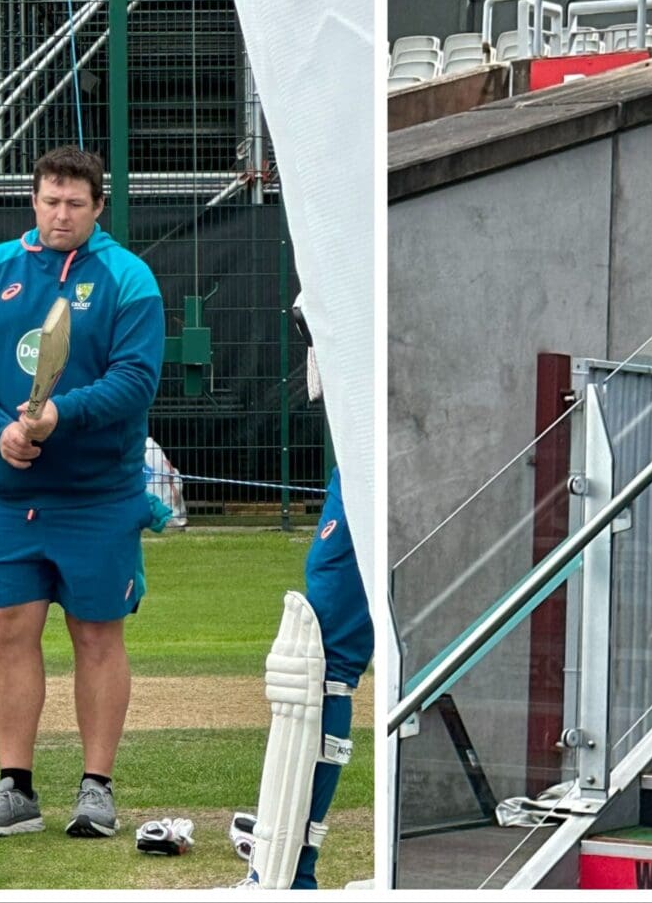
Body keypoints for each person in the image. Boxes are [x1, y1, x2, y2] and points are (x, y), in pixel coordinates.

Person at [0, 145, 165, 840]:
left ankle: (97, 789)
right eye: (49, 201)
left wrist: (64, 413)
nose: (60, 214)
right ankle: (16, 788)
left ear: (98, 207)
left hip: (99, 494)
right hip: (9, 497)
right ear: (32, 201)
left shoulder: (130, 279)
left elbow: (135, 379)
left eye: (74, 203)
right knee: (7, 629)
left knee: (96, 634)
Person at [228, 292, 374, 890]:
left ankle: (291, 874)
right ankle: (287, 864)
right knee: (317, 662)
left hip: (379, 458)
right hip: (361, 462)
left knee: (320, 665)